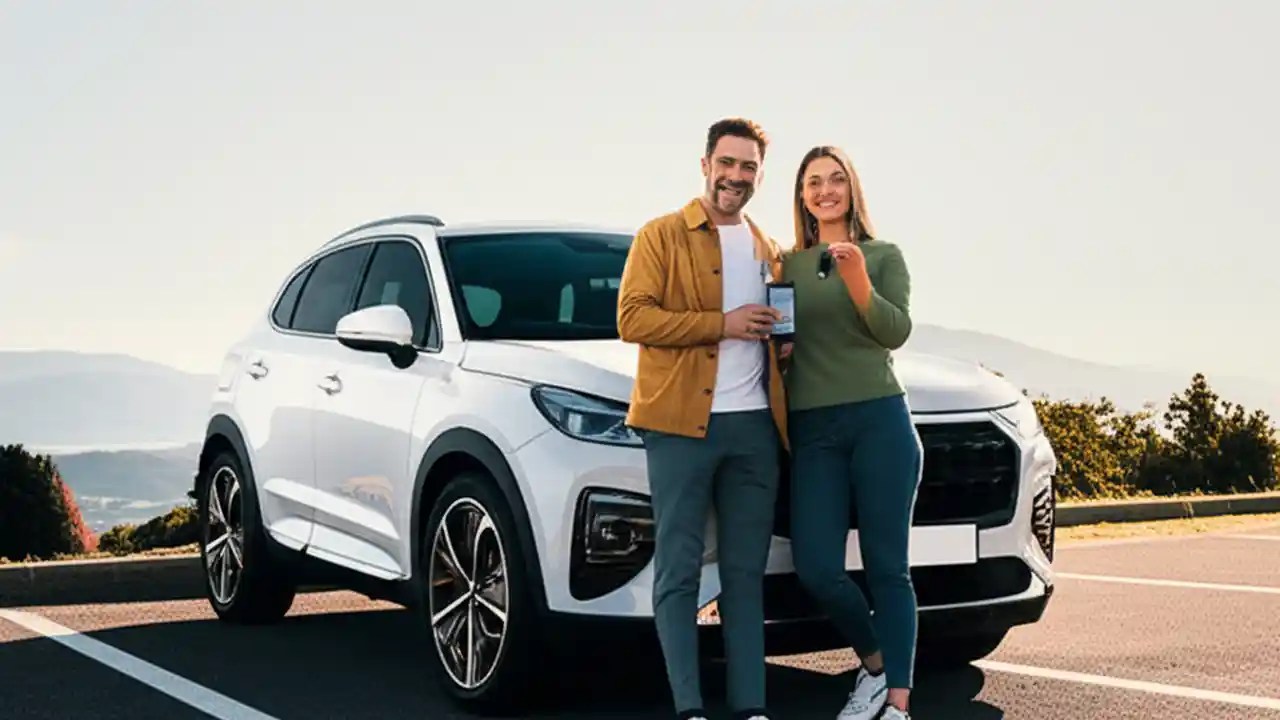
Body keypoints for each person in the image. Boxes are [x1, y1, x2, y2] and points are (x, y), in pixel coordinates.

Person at [616, 117, 789, 720]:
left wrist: (781, 343)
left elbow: (775, 331)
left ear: (759, 176)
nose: (735, 177)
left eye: (748, 168)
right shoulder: (660, 235)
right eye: (727, 163)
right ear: (705, 164)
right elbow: (632, 318)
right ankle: (688, 708)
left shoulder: (772, 251)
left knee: (745, 575)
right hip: (678, 427)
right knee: (680, 571)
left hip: (755, 431)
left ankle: (751, 708)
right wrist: (723, 322)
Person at [780, 145, 922, 720]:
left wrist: (857, 278)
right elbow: (784, 345)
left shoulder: (883, 255)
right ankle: (875, 664)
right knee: (816, 565)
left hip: (880, 421)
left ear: (852, 189)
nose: (825, 190)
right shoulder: (786, 266)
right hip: (814, 429)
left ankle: (897, 705)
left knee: (889, 568)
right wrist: (780, 348)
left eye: (836, 179)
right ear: (802, 195)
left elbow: (895, 331)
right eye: (813, 182)